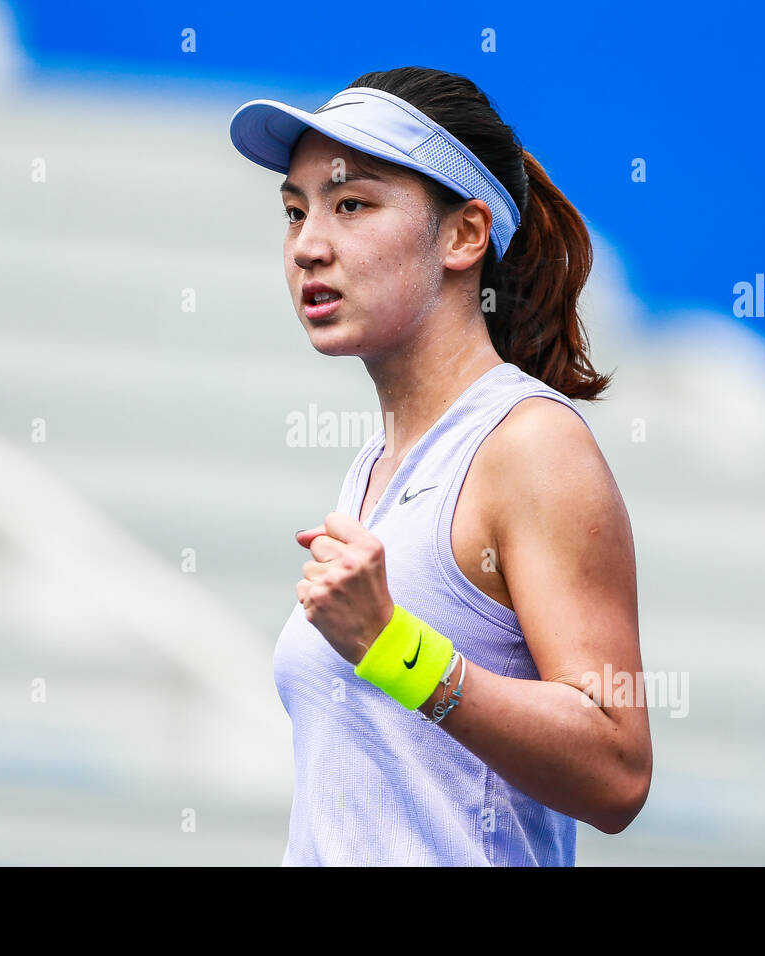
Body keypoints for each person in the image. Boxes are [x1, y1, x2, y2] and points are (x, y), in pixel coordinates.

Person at [229, 66, 651, 865]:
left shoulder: (532, 445)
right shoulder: (374, 466)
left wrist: (395, 647)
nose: (309, 245)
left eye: (351, 204)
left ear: (463, 236)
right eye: (295, 210)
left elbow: (617, 768)